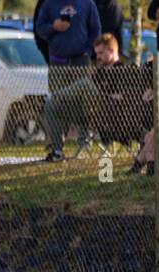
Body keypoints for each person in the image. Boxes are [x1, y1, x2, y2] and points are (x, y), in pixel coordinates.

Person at [44, 32, 121, 162]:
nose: (98, 57)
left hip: (110, 116)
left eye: (101, 53)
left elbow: (124, 97)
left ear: (112, 50)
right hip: (87, 112)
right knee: (52, 105)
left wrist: (106, 95)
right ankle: (57, 151)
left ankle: (55, 95)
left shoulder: (125, 69)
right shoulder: (100, 72)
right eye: (96, 54)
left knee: (86, 83)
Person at [37, 0, 102, 92]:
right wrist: (53, 27)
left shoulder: (88, 3)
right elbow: (39, 28)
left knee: (81, 100)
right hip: (57, 64)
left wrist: (87, 51)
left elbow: (96, 30)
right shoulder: (48, 3)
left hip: (81, 63)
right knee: (57, 101)